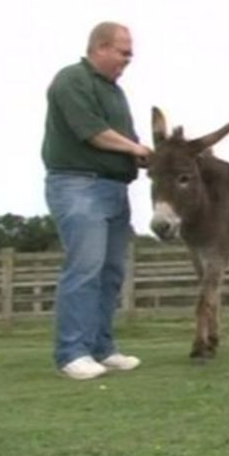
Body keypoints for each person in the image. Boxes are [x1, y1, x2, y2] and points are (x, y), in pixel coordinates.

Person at [42, 21, 153, 380]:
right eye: (124, 52)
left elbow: (125, 139)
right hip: (78, 185)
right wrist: (135, 147)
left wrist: (153, 157)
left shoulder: (115, 92)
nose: (128, 59)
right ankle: (72, 353)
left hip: (114, 189)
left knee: (110, 273)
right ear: (100, 47)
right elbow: (92, 132)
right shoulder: (72, 79)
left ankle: (102, 348)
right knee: (85, 269)